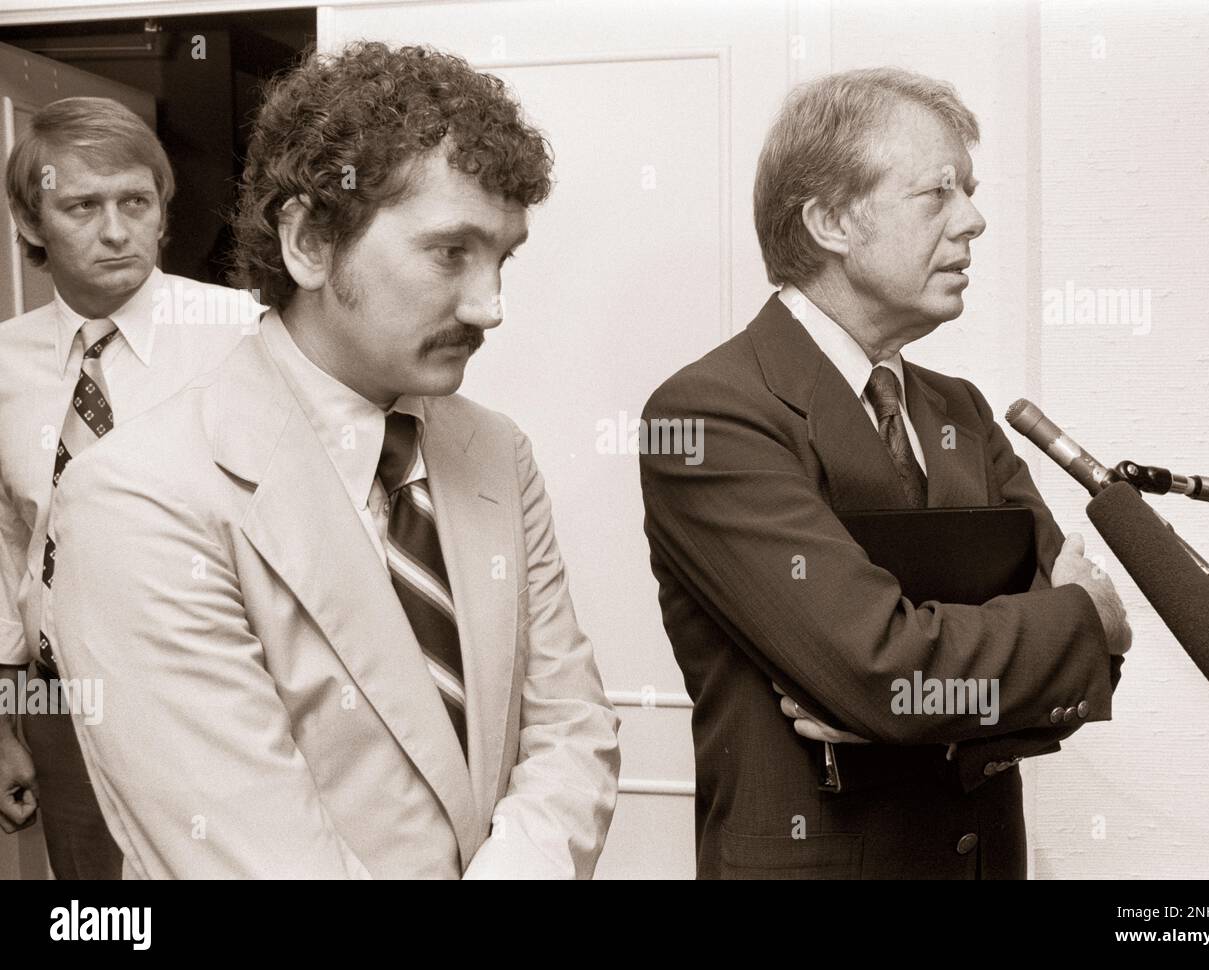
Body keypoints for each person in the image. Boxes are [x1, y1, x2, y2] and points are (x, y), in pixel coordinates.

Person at [48, 42, 620, 879]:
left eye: (504, 258)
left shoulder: (495, 451)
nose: (489, 305)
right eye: (450, 251)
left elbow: (570, 727)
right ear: (311, 241)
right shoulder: (136, 498)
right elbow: (255, 858)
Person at [639, 67, 1130, 879]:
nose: (974, 220)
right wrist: (1082, 622)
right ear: (831, 220)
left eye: (968, 191)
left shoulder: (962, 411)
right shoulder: (707, 416)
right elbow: (886, 668)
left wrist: (905, 706)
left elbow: (1078, 671)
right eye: (937, 193)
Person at [0, 97, 253, 878]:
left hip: (219, 706)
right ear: (31, 221)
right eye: (83, 206)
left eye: (135, 202)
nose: (116, 231)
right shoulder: (3, 365)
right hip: (62, 708)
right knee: (99, 920)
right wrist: (8, 719)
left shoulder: (246, 336)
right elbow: (10, 542)